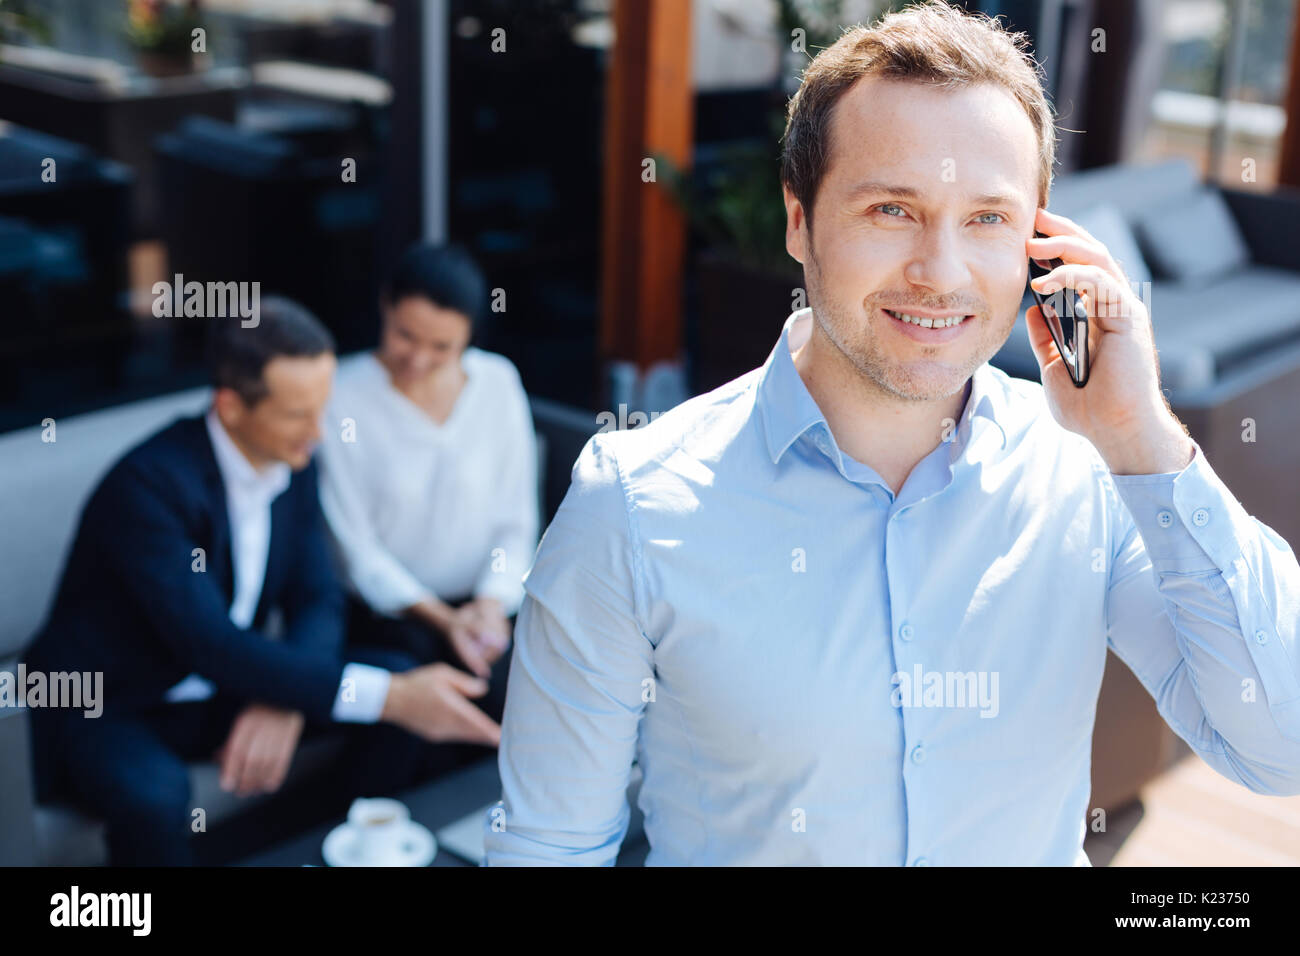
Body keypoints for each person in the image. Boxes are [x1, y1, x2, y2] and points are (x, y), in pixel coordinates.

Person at [484, 0, 1300, 866]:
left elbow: (1277, 747)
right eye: (892, 210)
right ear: (799, 221)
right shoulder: (632, 505)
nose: (940, 273)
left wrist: (1142, 435)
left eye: (988, 218)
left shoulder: (1092, 472)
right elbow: (548, 847)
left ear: (1040, 241)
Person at [24, 297, 500, 866]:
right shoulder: (146, 489)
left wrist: (286, 701)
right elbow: (207, 642)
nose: (318, 433)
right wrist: (389, 700)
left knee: (394, 671)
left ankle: (325, 850)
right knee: (155, 795)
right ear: (230, 407)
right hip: (111, 700)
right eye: (299, 414)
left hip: (219, 682)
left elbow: (317, 598)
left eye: (322, 410)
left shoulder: (291, 458)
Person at [317, 242, 539, 753]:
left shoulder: (498, 384)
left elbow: (515, 518)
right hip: (391, 616)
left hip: (486, 605)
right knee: (416, 716)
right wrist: (445, 619)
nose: (417, 359)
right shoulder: (340, 398)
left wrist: (488, 606)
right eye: (404, 335)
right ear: (384, 308)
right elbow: (355, 549)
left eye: (442, 347)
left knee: (532, 700)